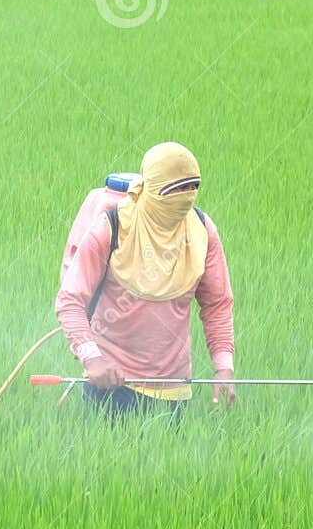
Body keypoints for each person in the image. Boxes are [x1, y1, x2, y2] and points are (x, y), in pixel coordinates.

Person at [54, 142, 235, 415]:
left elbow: (217, 303)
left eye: (193, 186)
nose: (187, 196)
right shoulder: (112, 227)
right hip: (110, 383)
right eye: (175, 189)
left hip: (174, 388)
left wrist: (224, 367)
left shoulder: (201, 230)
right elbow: (70, 300)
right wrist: (92, 359)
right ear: (152, 188)